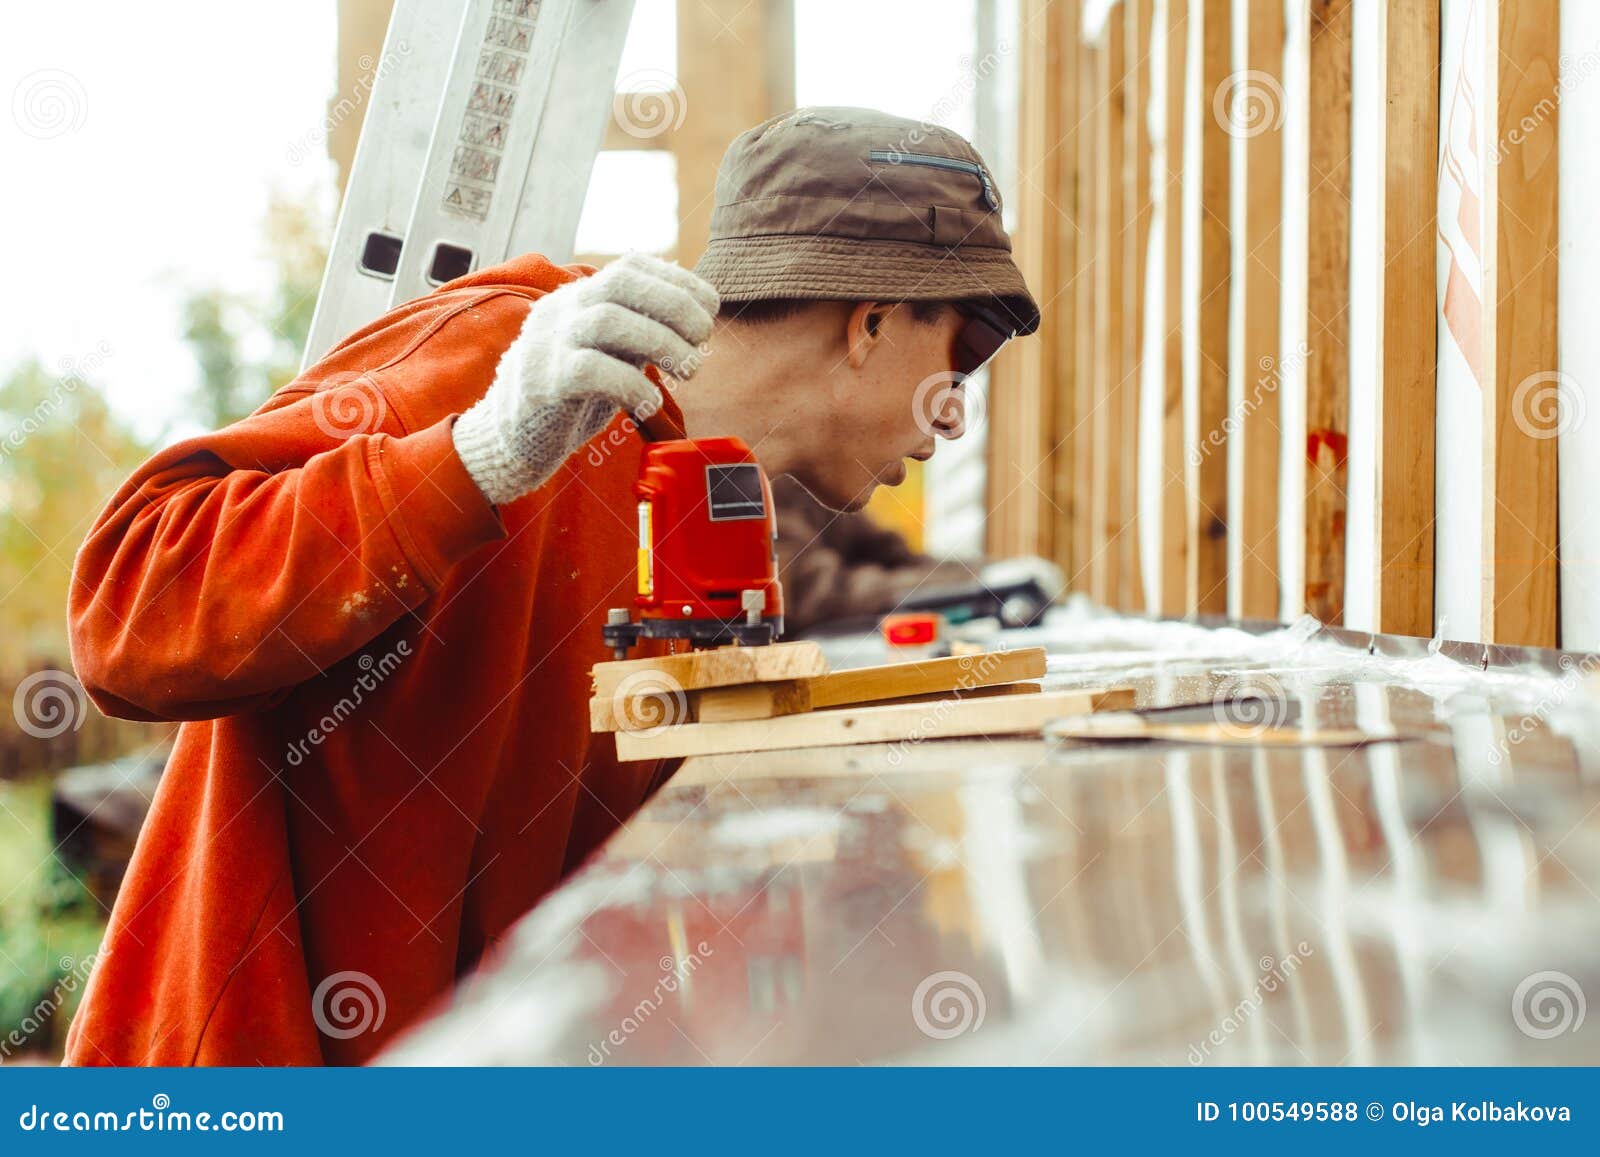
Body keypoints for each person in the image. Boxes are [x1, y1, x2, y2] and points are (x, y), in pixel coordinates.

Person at [65, 106, 1038, 1065]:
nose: (957, 414)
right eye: (969, 349)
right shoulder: (524, 354)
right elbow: (125, 619)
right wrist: (477, 453)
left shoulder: (723, 510)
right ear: (869, 320)